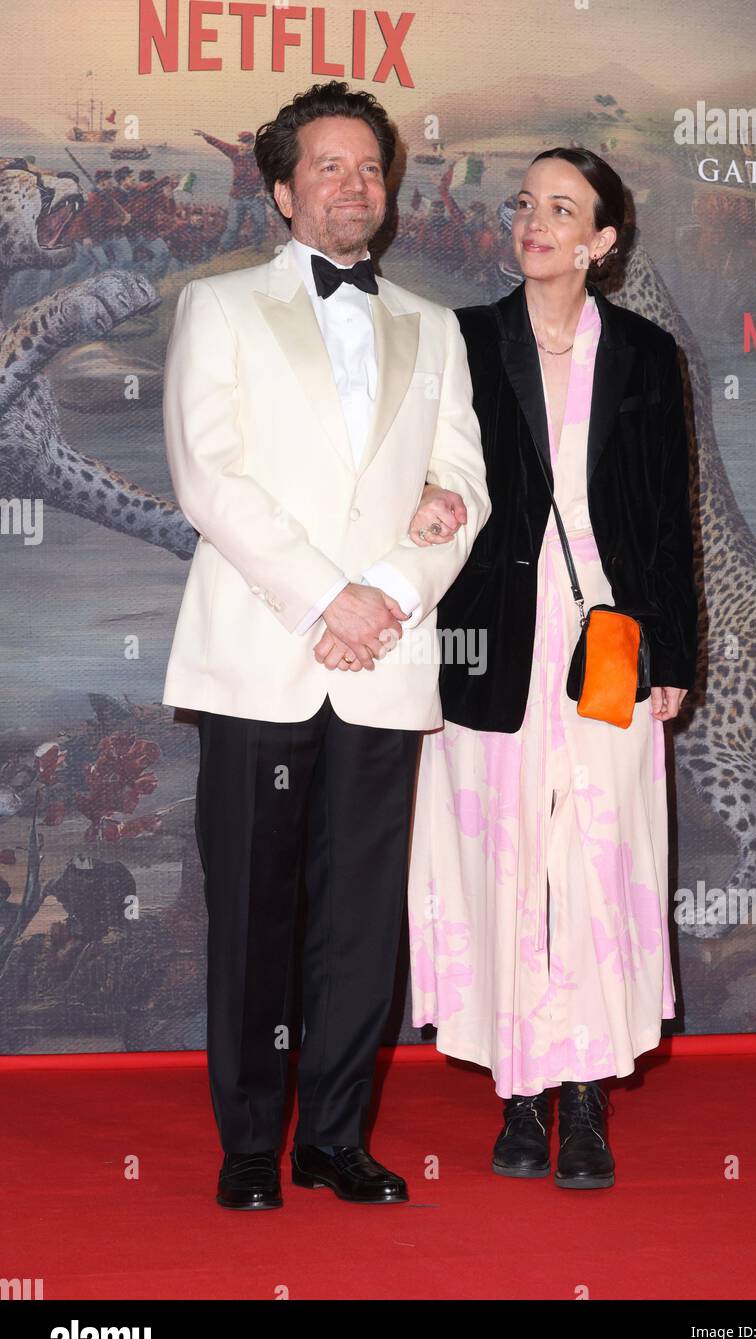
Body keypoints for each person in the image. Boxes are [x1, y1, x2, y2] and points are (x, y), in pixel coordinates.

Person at [162, 82, 490, 1209]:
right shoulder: (218, 308)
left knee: (360, 919)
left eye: (370, 168)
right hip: (262, 647)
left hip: (387, 659)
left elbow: (461, 488)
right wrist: (324, 601)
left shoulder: (435, 329)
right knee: (252, 909)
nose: (355, 185)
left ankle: (335, 1137)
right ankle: (252, 1140)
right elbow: (212, 480)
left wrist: (389, 593)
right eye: (330, 167)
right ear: (283, 190)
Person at [405, 147, 698, 1190]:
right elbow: (429, 472)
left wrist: (673, 647)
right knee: (497, 852)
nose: (533, 222)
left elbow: (668, 516)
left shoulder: (646, 356)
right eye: (524, 204)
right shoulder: (463, 340)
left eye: (560, 208)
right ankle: (516, 1097)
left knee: (599, 853)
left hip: (609, 637)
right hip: (487, 635)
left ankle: (583, 1099)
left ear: (601, 241)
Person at [193, 128, 267, 250]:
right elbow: (220, 144)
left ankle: (256, 246)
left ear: (252, 144)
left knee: (260, 222)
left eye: (246, 143)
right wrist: (206, 136)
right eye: (241, 142)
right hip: (236, 197)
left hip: (255, 197)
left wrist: (263, 190)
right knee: (233, 226)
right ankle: (223, 249)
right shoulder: (234, 151)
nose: (242, 146)